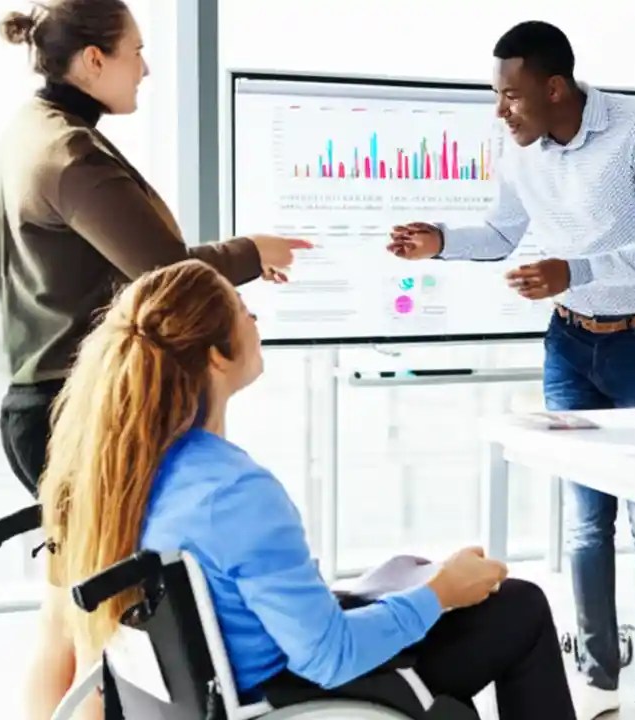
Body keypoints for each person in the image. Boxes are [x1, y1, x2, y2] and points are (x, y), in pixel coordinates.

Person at [28, 259, 577, 720]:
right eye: (245, 312)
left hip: (233, 679)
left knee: (406, 570)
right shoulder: (234, 494)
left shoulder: (112, 473)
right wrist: (442, 595)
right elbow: (328, 657)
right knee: (519, 607)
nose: (255, 319)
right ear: (217, 356)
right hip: (292, 694)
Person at [386, 21, 635, 720]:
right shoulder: (521, 147)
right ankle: (599, 678)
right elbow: (501, 232)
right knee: (585, 521)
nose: (501, 111)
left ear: (555, 88)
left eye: (511, 97)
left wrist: (573, 268)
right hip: (568, 342)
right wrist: (440, 242)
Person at [0, 0, 308, 498]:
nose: (145, 68)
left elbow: (130, 261)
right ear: (94, 59)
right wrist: (251, 252)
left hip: (51, 402)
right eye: (136, 52)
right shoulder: (69, 154)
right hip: (73, 407)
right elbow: (167, 274)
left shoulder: (35, 129)